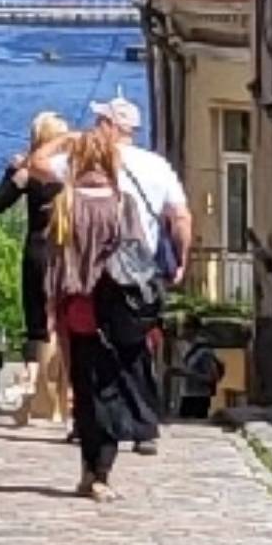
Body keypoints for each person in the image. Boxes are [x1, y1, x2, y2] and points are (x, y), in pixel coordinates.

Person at [53, 98, 194, 500]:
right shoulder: (125, 203)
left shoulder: (66, 204)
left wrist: (54, 306)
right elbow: (137, 250)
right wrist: (174, 266)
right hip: (121, 308)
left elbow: (55, 263)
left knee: (87, 386)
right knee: (116, 382)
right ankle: (104, 470)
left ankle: (88, 468)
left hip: (80, 308)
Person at [0, 113, 76, 429]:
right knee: (65, 323)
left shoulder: (29, 170)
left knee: (38, 325)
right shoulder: (72, 170)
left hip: (37, 251)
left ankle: (37, 397)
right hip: (69, 253)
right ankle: (63, 395)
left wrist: (14, 174)